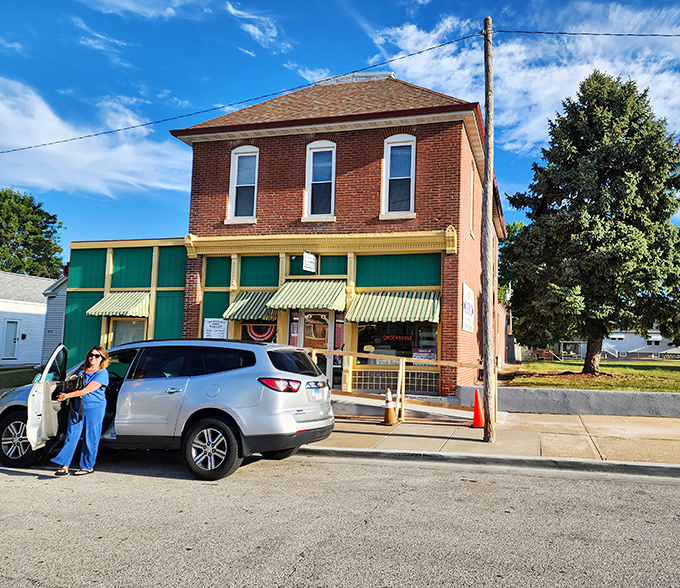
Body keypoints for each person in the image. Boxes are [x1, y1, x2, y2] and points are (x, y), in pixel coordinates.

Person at [52, 346, 110, 476]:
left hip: (94, 408)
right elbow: (70, 384)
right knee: (71, 435)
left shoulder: (102, 373)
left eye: (97, 356)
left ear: (102, 358)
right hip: (77, 407)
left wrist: (66, 396)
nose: (93, 358)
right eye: (91, 354)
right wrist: (69, 382)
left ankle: (87, 466)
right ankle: (64, 464)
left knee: (91, 437)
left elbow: (87, 390)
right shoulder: (82, 369)